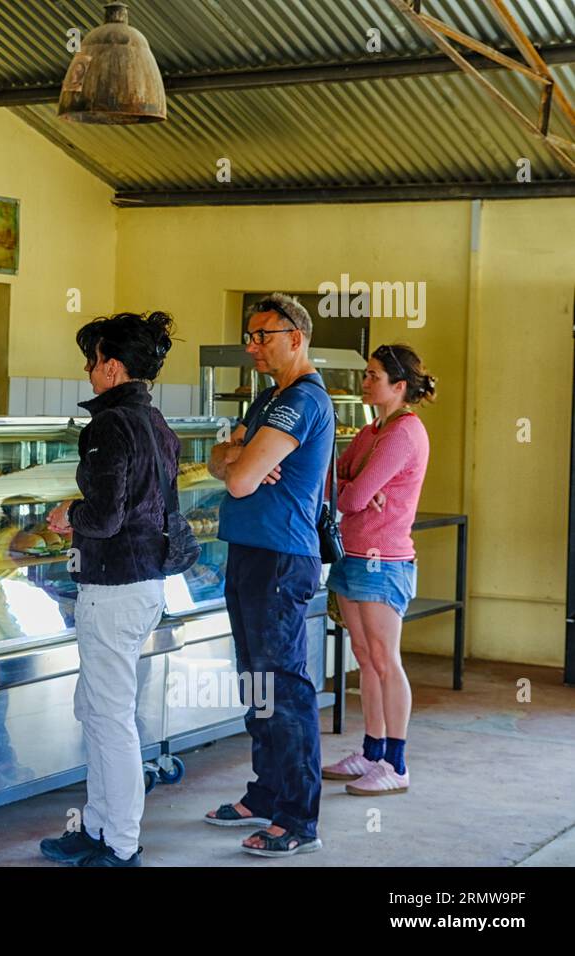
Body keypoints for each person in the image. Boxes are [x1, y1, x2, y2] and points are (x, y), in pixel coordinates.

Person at [39, 311, 181, 868]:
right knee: (99, 711)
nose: (87, 368)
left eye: (92, 358)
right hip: (144, 582)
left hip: (114, 586)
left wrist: (66, 512)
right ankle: (97, 828)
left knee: (112, 718)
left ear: (112, 366)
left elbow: (102, 516)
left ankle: (120, 844)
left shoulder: (109, 425)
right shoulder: (156, 422)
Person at [203, 293, 332, 858]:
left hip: (282, 558)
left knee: (284, 689)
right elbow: (219, 461)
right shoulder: (267, 398)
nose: (252, 346)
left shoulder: (300, 401)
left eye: (263, 336)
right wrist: (236, 449)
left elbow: (236, 482)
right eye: (249, 337)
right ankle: (264, 793)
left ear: (295, 337)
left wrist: (239, 457)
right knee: (255, 683)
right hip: (250, 553)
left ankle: (298, 817)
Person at [322, 344, 435, 796]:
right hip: (351, 554)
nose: (364, 382)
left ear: (399, 386)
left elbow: (344, 498)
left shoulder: (403, 435)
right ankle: (371, 752)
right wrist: (356, 487)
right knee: (366, 660)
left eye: (373, 376)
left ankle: (397, 764)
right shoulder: (371, 431)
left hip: (383, 560)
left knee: (386, 661)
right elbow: (332, 479)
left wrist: (354, 490)